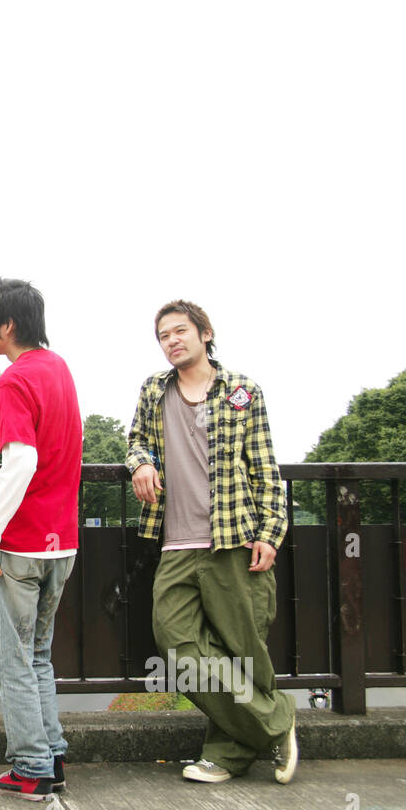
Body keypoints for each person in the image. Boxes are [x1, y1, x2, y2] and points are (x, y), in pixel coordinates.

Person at [126, 300, 297, 784]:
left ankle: (227, 755)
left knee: (242, 647)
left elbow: (265, 469)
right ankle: (276, 723)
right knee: (176, 644)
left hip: (234, 539)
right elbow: (136, 439)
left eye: (181, 331)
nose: (172, 341)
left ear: (205, 334)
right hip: (174, 541)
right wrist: (140, 462)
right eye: (163, 335)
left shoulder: (243, 391)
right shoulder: (154, 390)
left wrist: (270, 533)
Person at [0, 279, 82, 801]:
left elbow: (21, 459)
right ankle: (52, 756)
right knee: (38, 653)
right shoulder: (58, 367)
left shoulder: (13, 380)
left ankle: (32, 769)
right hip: (62, 542)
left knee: (9, 660)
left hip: (20, 543)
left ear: (7, 325)